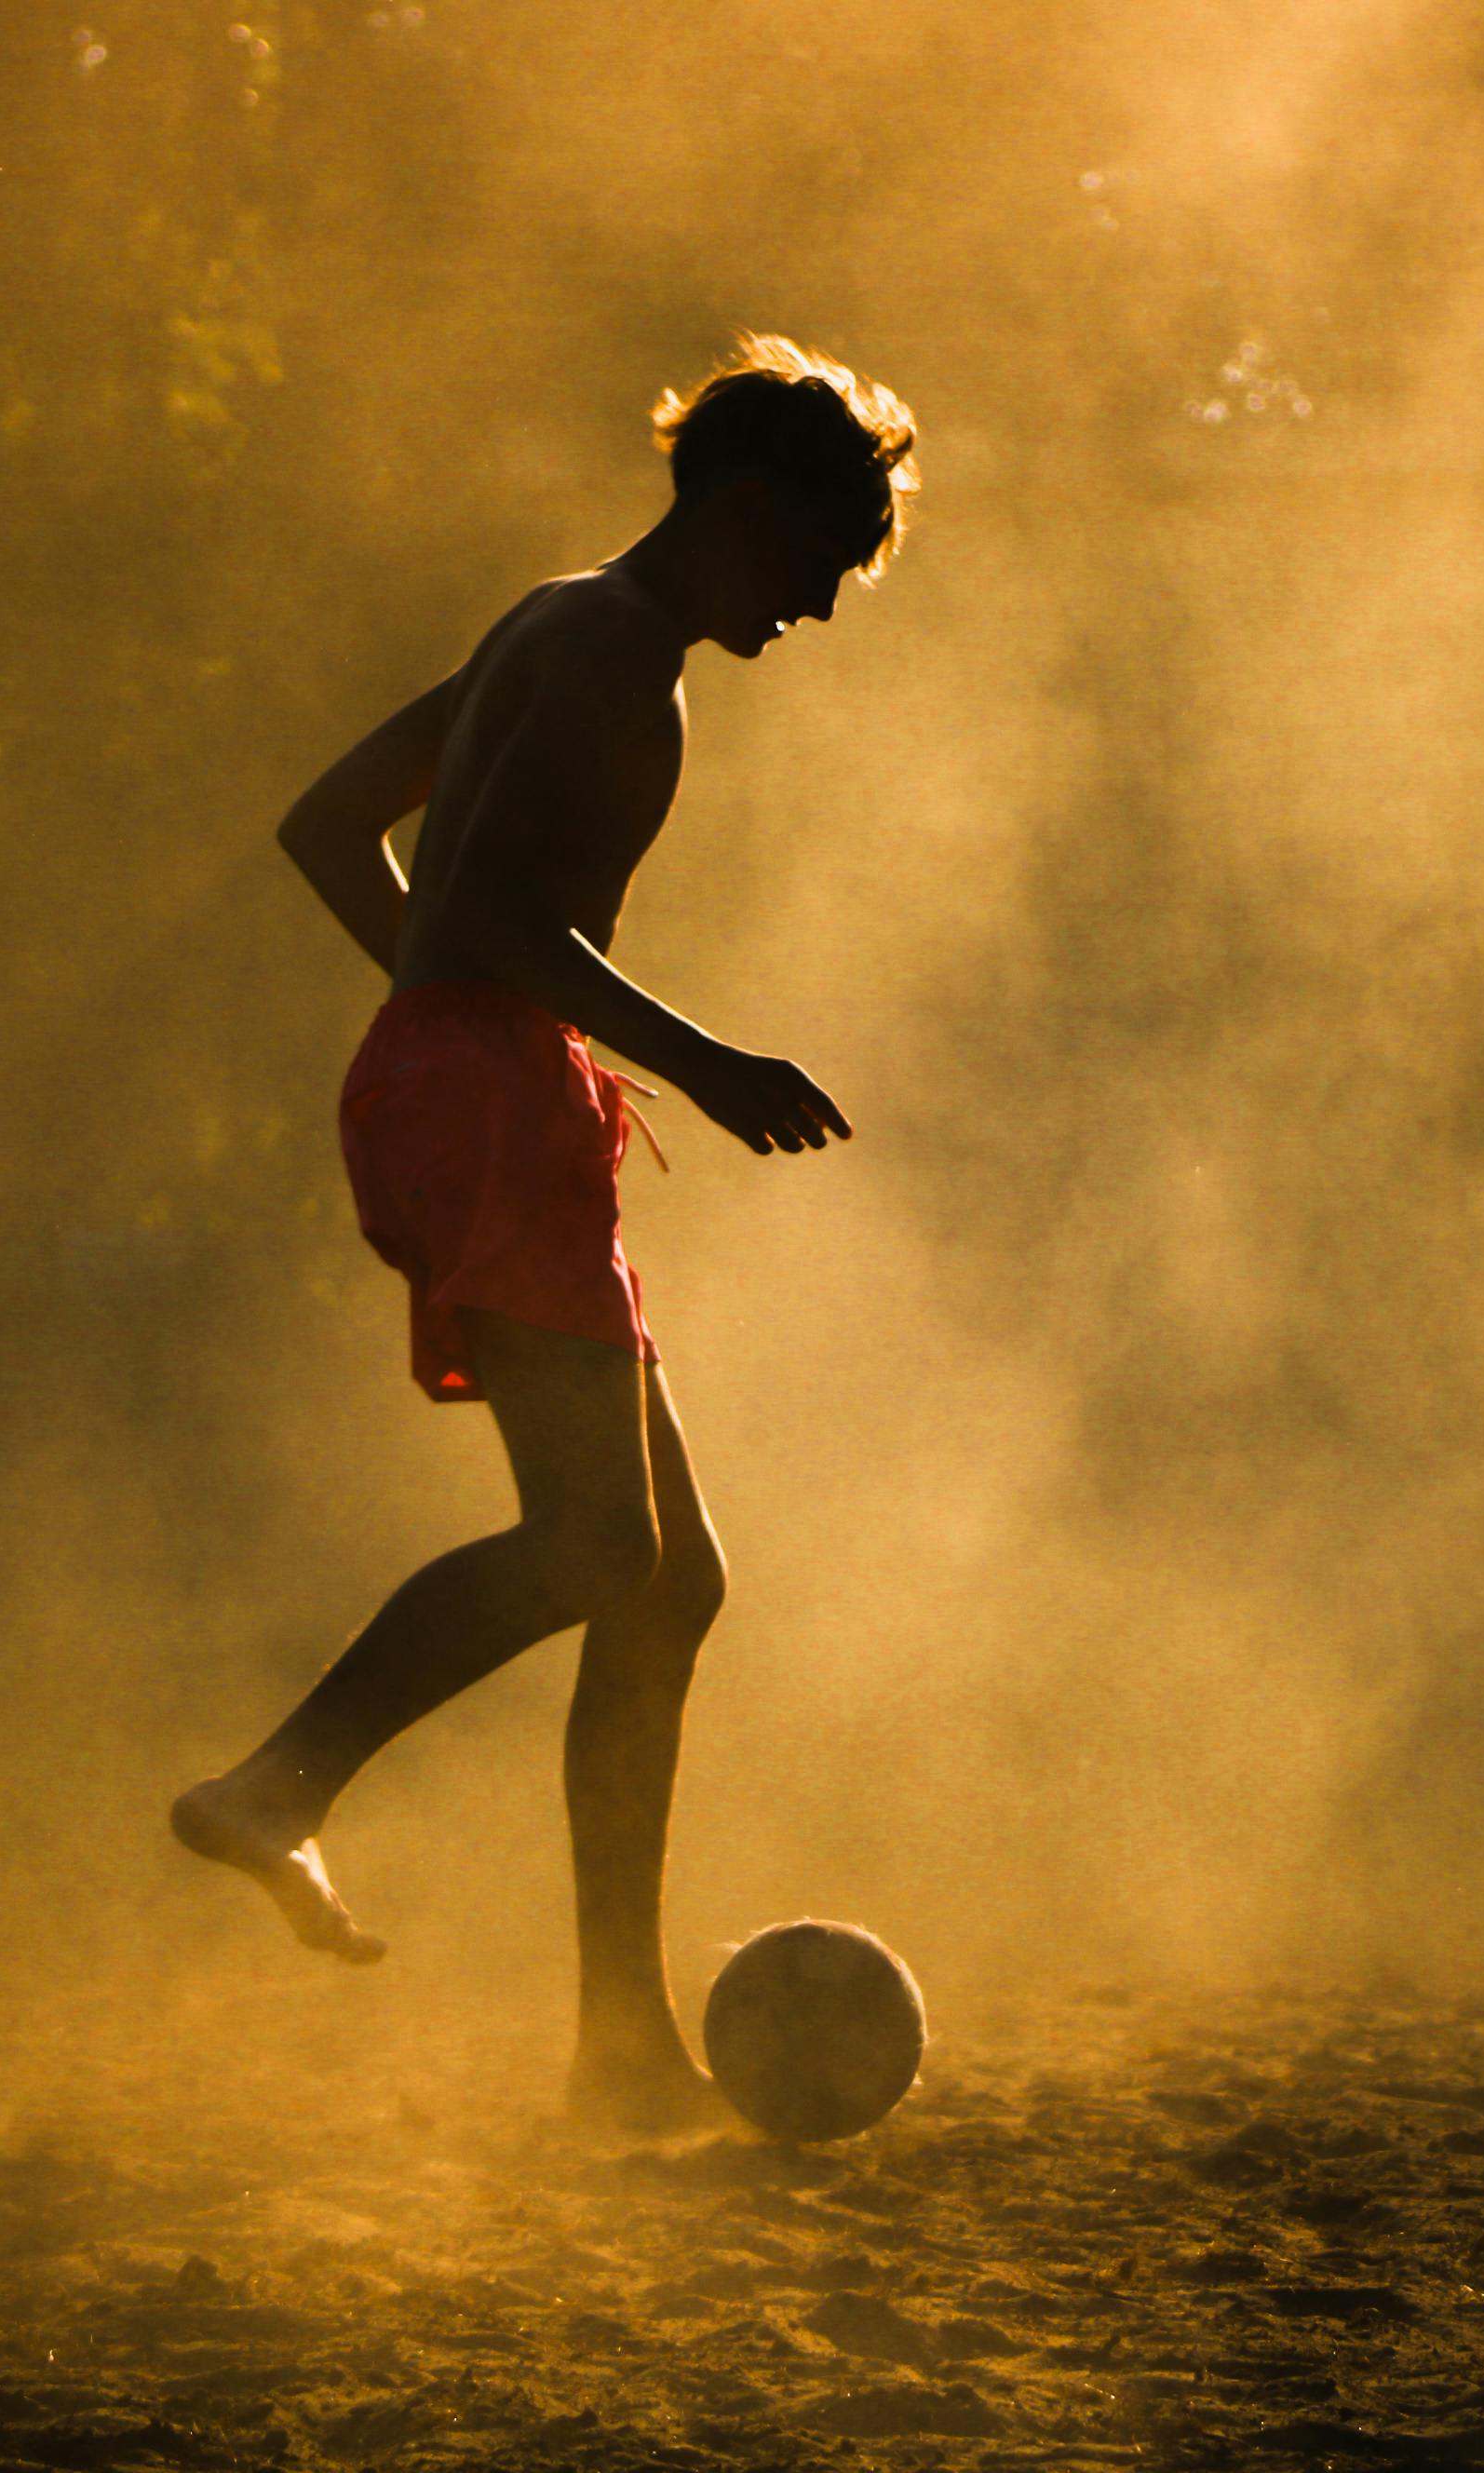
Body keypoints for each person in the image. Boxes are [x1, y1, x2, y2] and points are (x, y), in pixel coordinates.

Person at [172, 336, 914, 2129]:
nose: (820, 607)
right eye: (822, 559)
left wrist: (444, 1016)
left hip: (477, 1080)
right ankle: (284, 1780)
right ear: (746, 509)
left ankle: (615, 2048)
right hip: (490, 1094)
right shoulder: (609, 661)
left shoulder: (558, 619)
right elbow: (498, 902)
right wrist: (697, 1061)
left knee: (668, 1578)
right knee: (595, 1544)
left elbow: (331, 830)